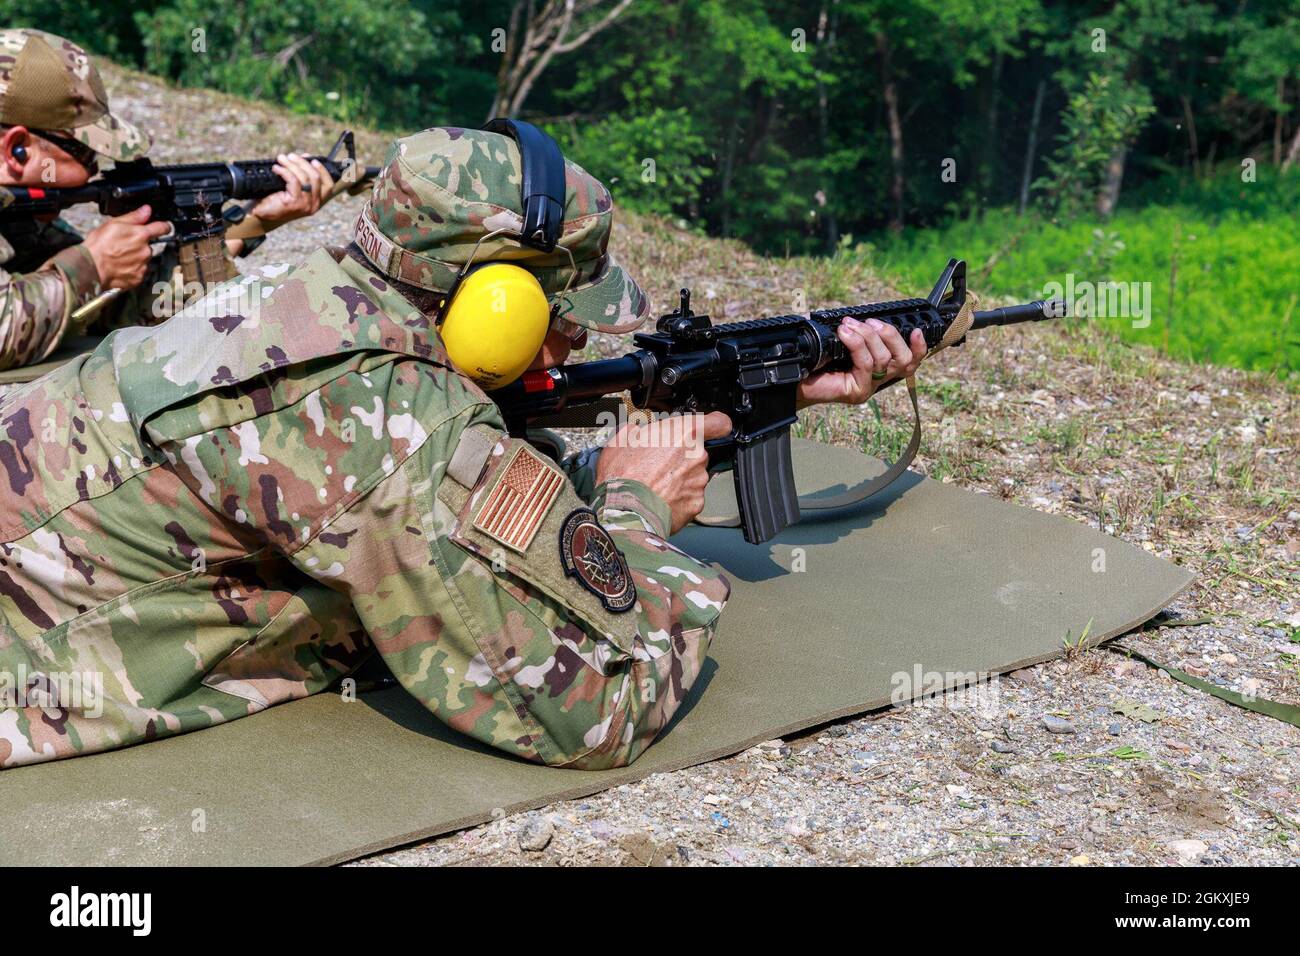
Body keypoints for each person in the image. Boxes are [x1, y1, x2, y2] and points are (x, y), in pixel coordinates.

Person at [0, 125, 925, 771]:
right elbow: (591, 709)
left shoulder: (321, 292)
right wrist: (638, 510)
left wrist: (761, 392)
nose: (575, 340)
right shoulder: (393, 420)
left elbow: (461, 445)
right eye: (560, 311)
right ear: (492, 305)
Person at [0, 28, 334, 372]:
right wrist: (91, 267)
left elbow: (117, 312)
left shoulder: (24, 218)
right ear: (17, 149)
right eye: (85, 153)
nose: (92, 171)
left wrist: (255, 221)